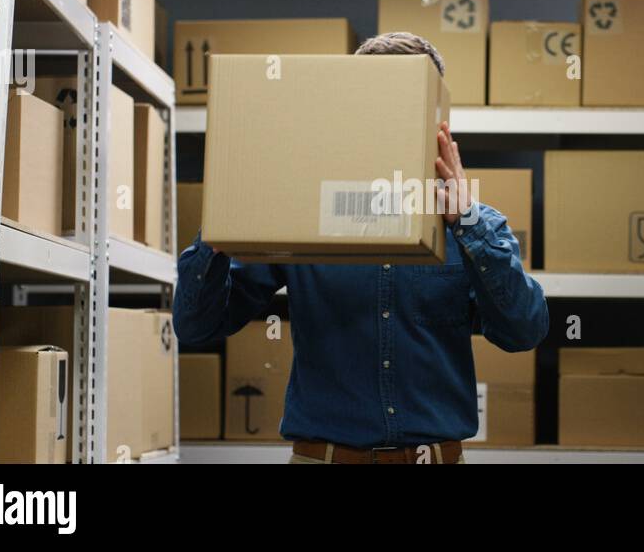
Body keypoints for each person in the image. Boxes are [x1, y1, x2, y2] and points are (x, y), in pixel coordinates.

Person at [173, 32, 549, 464]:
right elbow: (196, 326)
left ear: (439, 120)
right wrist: (220, 228)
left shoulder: (475, 226)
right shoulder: (299, 218)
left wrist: (469, 224)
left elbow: (525, 330)